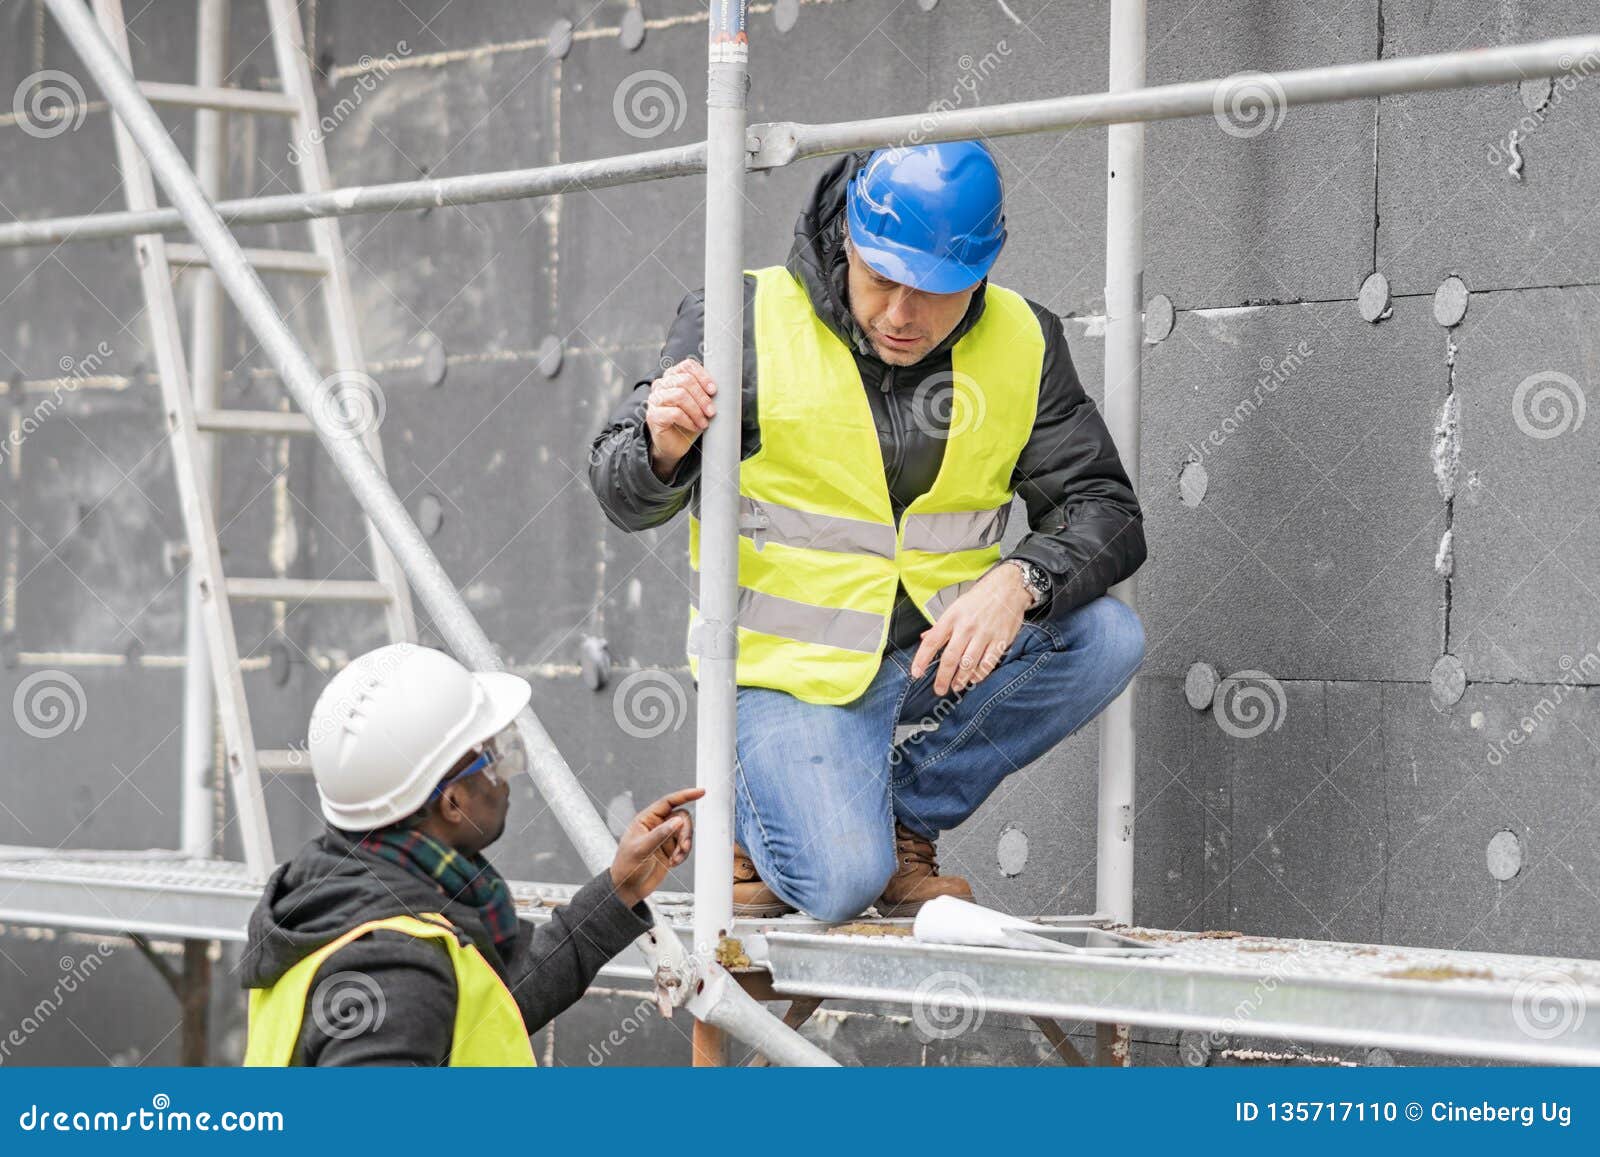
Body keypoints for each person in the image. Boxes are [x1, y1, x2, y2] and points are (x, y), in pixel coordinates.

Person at [588, 141, 1146, 923]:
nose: (900, 315)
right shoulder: (740, 315)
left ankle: (907, 817)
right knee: (844, 886)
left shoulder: (1026, 340)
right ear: (848, 241)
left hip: (931, 650)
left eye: (934, 290)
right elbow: (622, 491)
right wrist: (661, 448)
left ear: (981, 270)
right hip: (792, 670)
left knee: (1107, 637)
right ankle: (758, 826)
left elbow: (1106, 508)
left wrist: (1020, 583)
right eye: (880, 279)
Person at [239, 642, 700, 1065]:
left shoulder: (330, 894)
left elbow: (494, 1004)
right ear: (453, 802)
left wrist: (620, 890)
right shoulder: (395, 966)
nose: (506, 774)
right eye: (494, 757)